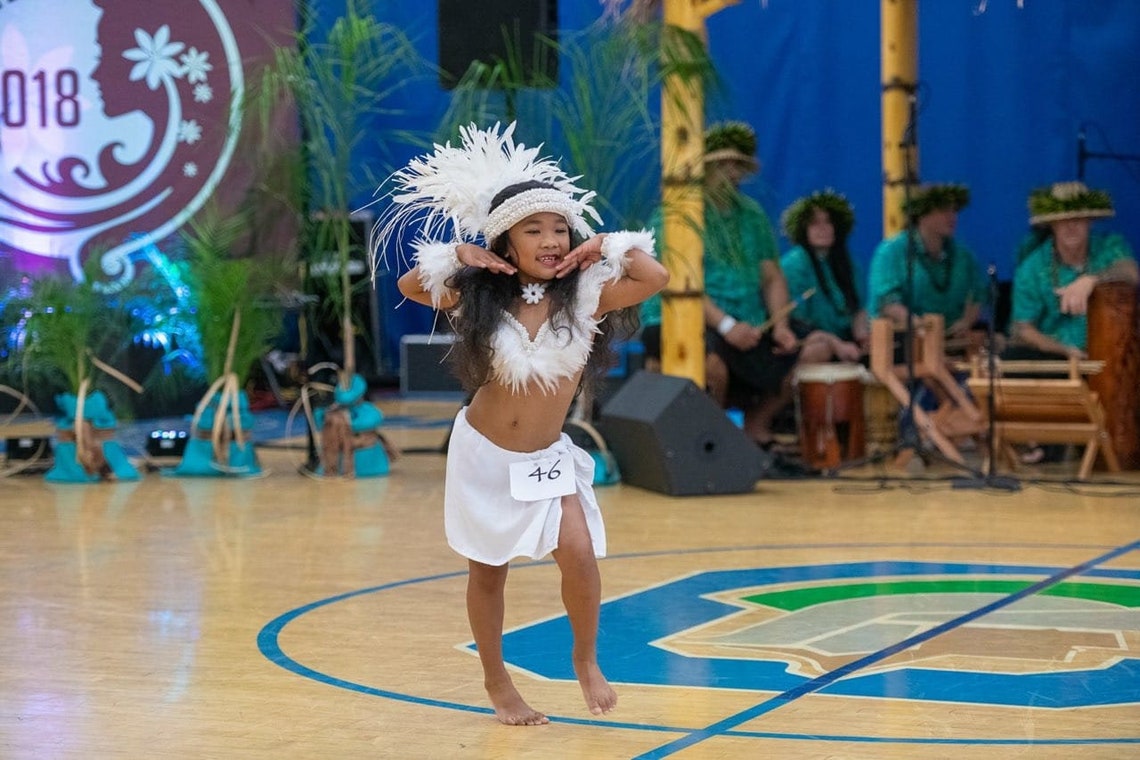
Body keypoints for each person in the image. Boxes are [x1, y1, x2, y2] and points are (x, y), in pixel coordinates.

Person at [380, 123, 668, 726]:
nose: (551, 238)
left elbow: (654, 277)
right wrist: (459, 254)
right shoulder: (480, 295)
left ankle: (585, 660)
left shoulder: (587, 293)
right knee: (488, 572)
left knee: (580, 554)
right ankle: (496, 680)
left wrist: (608, 244)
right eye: (533, 228)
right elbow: (409, 286)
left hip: (544, 456)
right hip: (482, 454)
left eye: (560, 227)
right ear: (506, 241)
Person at [640, 121, 828, 448]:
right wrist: (726, 325)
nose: (731, 174)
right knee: (711, 361)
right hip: (683, 320)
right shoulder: (678, 213)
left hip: (749, 322)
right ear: (705, 168)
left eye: (737, 166)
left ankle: (757, 424)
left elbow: (771, 277)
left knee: (816, 349)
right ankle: (709, 441)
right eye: (722, 165)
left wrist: (781, 324)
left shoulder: (752, 215)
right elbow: (679, 284)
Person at [1006, 181, 1138, 361]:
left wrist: (1092, 280)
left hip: (1113, 354)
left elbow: (1131, 273)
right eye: (1063, 220)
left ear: (1090, 221)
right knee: (1014, 356)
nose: (1071, 226)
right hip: (1057, 359)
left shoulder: (1109, 246)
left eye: (1078, 219)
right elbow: (1023, 329)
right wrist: (1065, 351)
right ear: (1052, 224)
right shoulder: (1032, 268)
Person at [868, 183, 987, 340]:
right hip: (903, 340)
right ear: (922, 215)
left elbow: (977, 294)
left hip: (951, 339)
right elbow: (888, 303)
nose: (952, 217)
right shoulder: (891, 252)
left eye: (954, 211)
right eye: (944, 211)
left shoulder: (963, 255)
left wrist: (966, 321)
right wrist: (921, 327)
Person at [779, 189, 869, 362]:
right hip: (807, 344)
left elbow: (858, 310)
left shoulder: (849, 264)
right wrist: (836, 344)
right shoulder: (794, 264)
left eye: (829, 222)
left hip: (846, 343)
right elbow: (798, 325)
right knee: (820, 351)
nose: (823, 228)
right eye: (814, 223)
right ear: (803, 229)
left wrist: (863, 337)